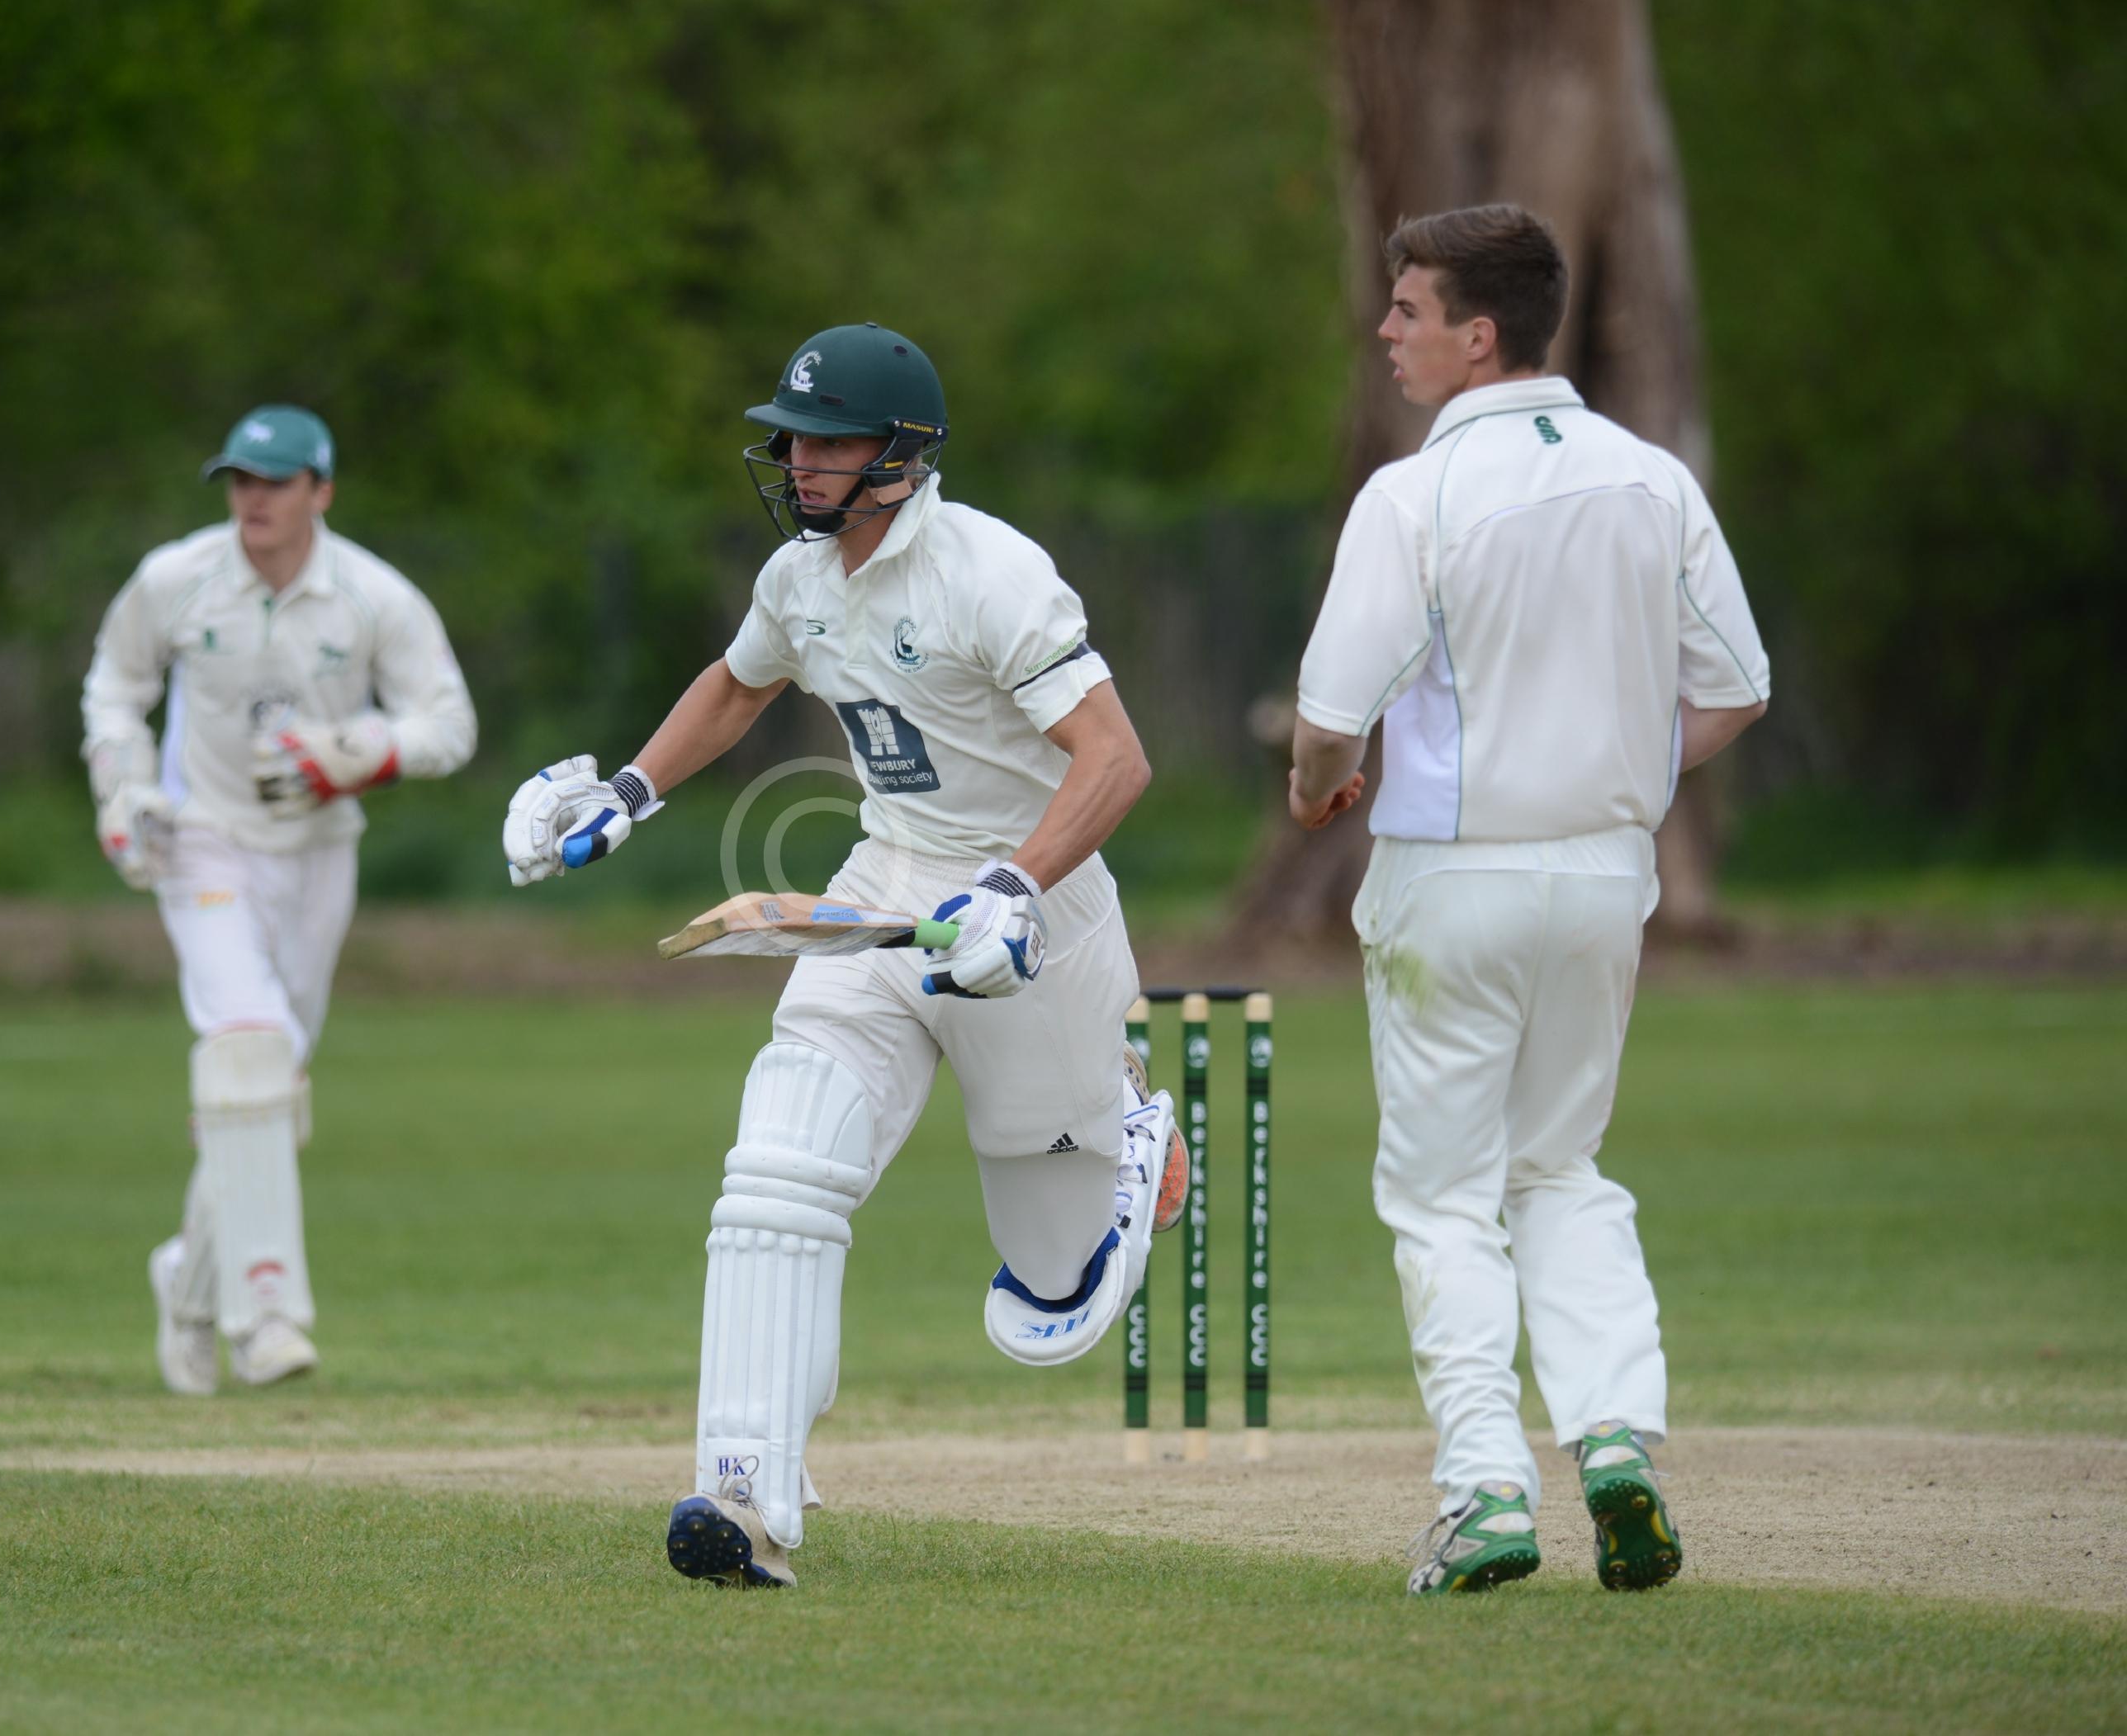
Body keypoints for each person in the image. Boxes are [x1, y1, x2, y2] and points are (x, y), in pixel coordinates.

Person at [500, 324, 1187, 1589]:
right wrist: (631, 793)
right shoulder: (798, 578)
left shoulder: (993, 572)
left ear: (903, 453)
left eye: (827, 441)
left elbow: (1117, 760)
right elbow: (737, 683)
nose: (798, 460)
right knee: (778, 1161)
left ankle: (1132, 1133)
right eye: (794, 438)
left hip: (1033, 908)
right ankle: (742, 1495)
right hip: (880, 888)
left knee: (1052, 1297)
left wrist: (1015, 885)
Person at [1288, 206, 1770, 1595]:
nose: (1387, 331)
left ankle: (1489, 1492)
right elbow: (1735, 689)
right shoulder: (1650, 477)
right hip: (1604, 876)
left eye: (1409, 309)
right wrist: (1616, 765)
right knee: (1562, 1168)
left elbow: (1329, 713)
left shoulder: (1413, 496)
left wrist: (1319, 787)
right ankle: (1616, 1441)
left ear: (1478, 333)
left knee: (1443, 1197)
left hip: (1452, 883)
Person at [82, 404, 477, 1394]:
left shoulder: (372, 597)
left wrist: (364, 753)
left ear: (321, 491)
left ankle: (185, 1280)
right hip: (203, 844)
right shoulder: (176, 578)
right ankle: (266, 1316)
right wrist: (123, 791)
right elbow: (114, 688)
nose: (252, 501)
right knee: (247, 1048)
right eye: (240, 482)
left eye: (274, 483)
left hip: (316, 859)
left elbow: (449, 724)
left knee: (267, 1092)